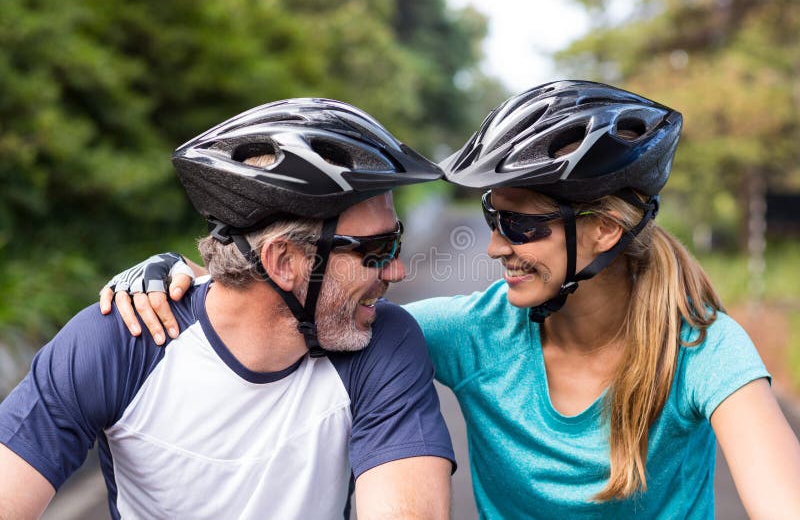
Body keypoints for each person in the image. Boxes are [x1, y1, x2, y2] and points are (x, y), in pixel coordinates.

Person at [101, 81, 800, 518]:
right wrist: (181, 271)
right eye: (494, 220)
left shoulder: (702, 349)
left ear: (603, 230)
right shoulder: (473, 334)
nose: (495, 248)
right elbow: (305, 303)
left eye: (521, 224)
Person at [0, 98, 456, 519]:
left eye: (395, 239)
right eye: (377, 248)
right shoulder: (123, 339)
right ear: (284, 261)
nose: (396, 272)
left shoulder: (382, 341)